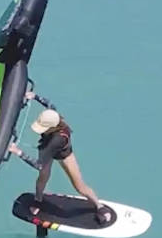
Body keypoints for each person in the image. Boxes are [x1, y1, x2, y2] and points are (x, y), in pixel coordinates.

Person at [8, 90, 111, 225]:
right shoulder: (55, 117)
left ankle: (99, 206)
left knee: (79, 186)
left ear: (52, 128)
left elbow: (39, 164)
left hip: (63, 154)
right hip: (47, 149)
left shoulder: (56, 140)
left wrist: (18, 152)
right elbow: (50, 105)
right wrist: (34, 96)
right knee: (42, 179)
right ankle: (38, 200)